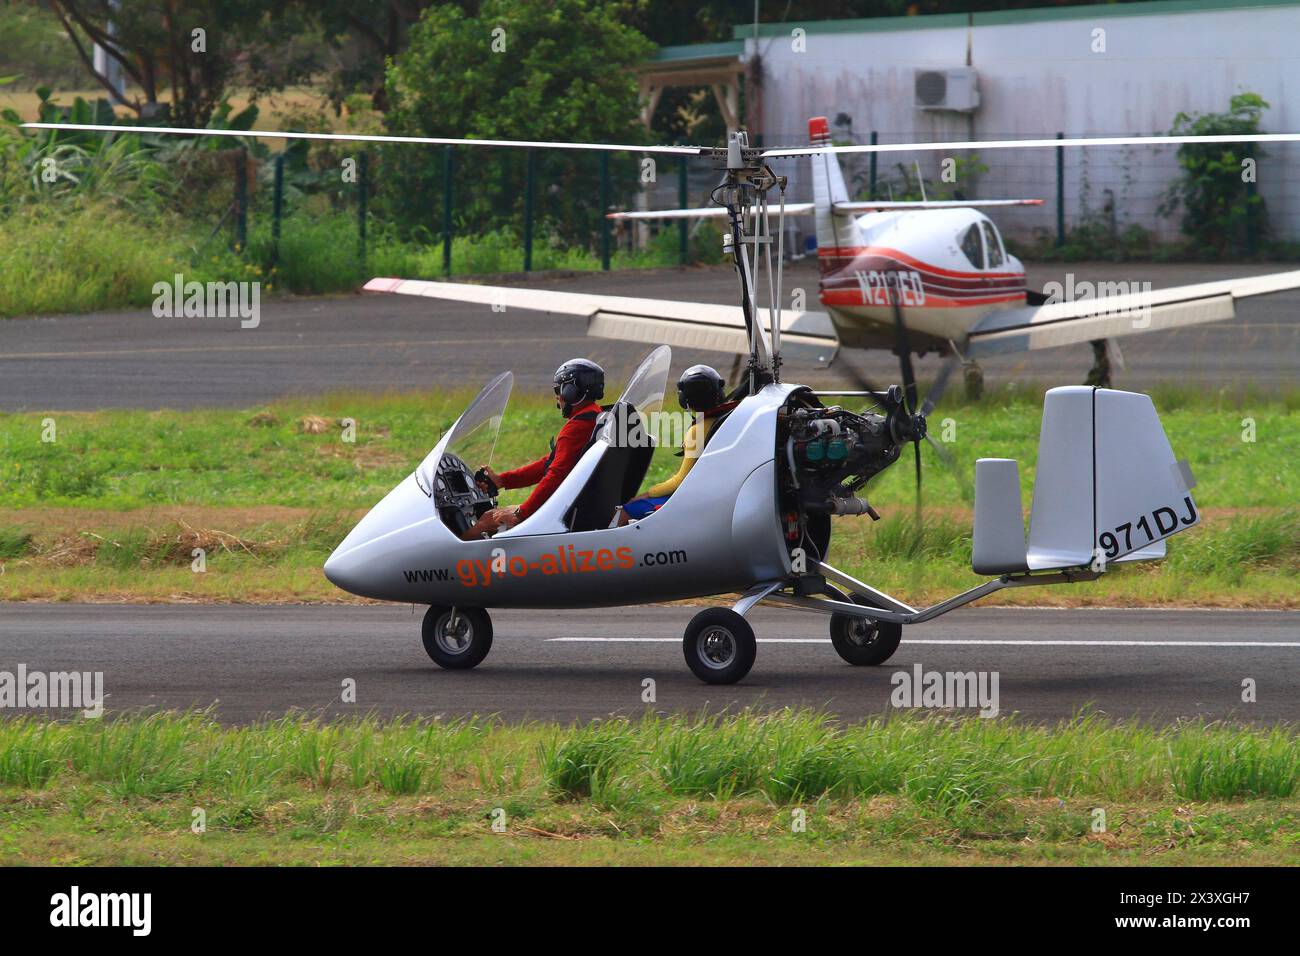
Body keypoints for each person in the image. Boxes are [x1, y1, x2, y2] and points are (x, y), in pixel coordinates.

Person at [463, 359, 604, 539]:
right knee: (494, 516)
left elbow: (556, 474)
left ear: (571, 391)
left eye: (558, 389)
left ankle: (446, 563)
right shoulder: (595, 416)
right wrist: (502, 480)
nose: (557, 396)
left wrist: (520, 514)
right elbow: (549, 463)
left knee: (486, 520)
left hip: (568, 512)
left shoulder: (578, 426)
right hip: (578, 504)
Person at [618, 365, 733, 525]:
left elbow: (680, 480)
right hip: (715, 493)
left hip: (695, 498)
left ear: (684, 399)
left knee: (625, 511)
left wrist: (646, 494)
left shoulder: (697, 430)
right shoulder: (727, 420)